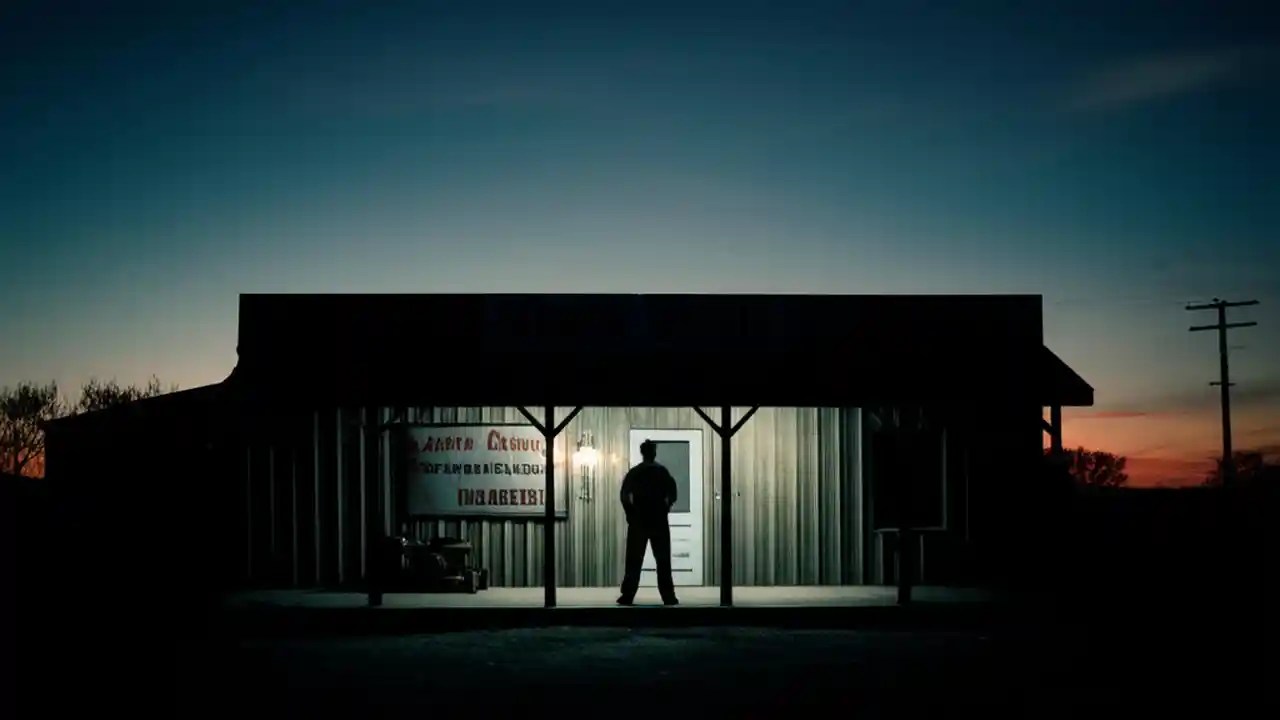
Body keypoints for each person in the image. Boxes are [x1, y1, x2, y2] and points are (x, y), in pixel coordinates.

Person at [617, 439, 679, 606]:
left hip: (639, 520)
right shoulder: (662, 472)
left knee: (634, 559)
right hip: (658, 519)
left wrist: (630, 513)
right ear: (654, 452)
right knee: (663, 560)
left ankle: (628, 595)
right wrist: (665, 508)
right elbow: (672, 493)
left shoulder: (635, 472)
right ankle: (668, 595)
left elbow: (624, 495)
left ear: (642, 452)